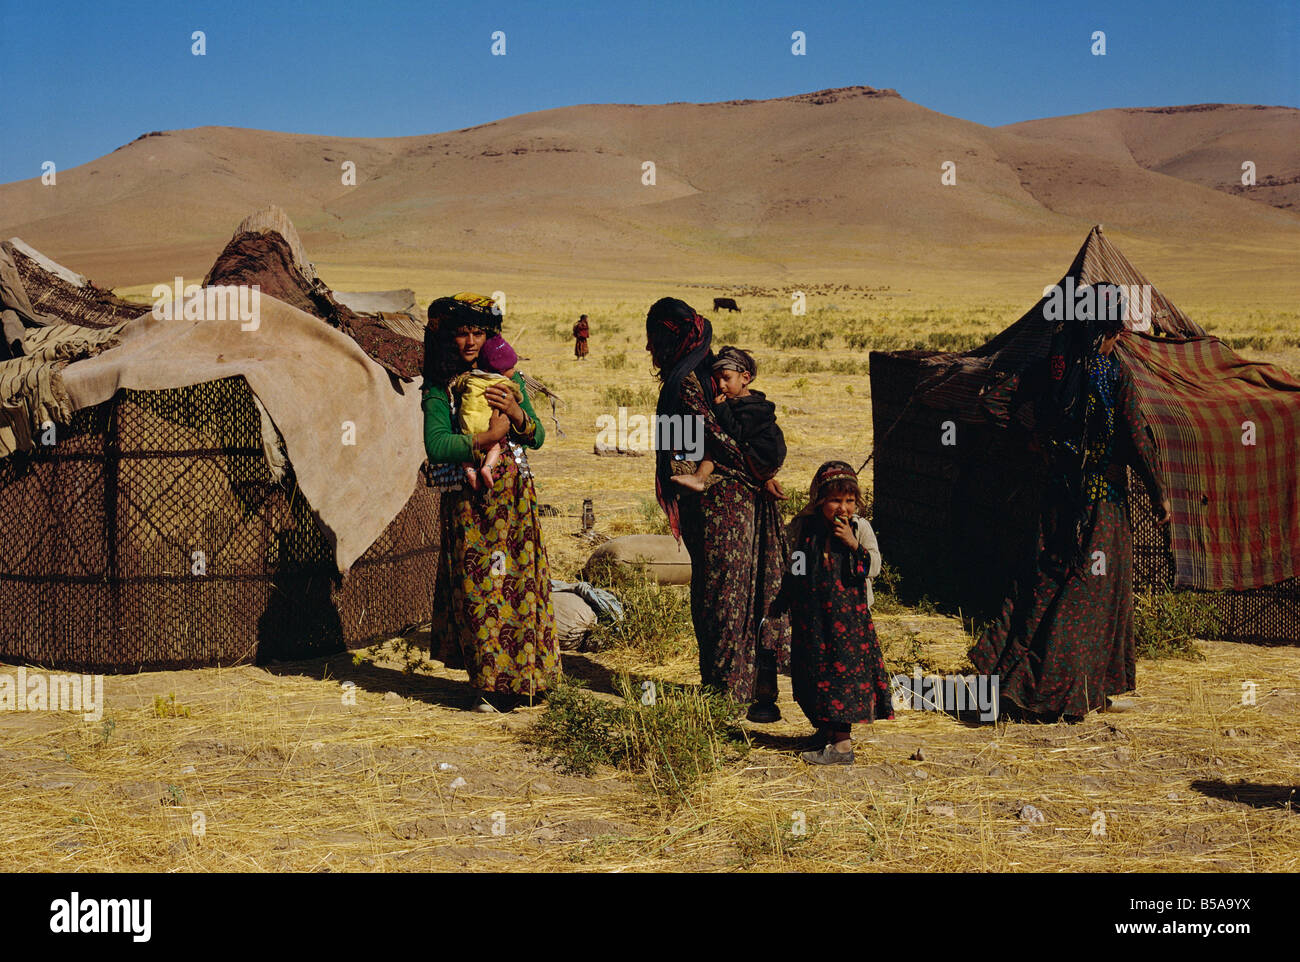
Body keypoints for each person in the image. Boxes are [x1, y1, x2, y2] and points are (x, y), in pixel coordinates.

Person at [969, 285, 1172, 720]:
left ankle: (1011, 676)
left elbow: (993, 399)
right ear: (1103, 330)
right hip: (1102, 507)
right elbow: (1137, 439)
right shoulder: (1113, 375)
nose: (1120, 339)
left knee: (1044, 582)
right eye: (1117, 332)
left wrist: (1035, 442)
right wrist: (1160, 495)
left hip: (1057, 495)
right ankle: (1056, 692)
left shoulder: (1053, 369)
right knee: (1089, 596)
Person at [647, 297, 790, 720]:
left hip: (719, 504)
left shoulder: (690, 380)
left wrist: (754, 469)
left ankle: (728, 695)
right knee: (728, 594)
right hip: (720, 500)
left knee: (721, 598)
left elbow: (708, 442)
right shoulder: (699, 375)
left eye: (655, 338)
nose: (649, 348)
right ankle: (738, 690)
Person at [421, 292, 560, 712]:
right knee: (482, 589)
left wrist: (517, 415)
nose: (470, 342)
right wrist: (485, 437)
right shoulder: (438, 387)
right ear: (448, 338)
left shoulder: (508, 379)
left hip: (515, 498)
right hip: (470, 503)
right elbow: (437, 445)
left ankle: (530, 681)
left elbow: (535, 436)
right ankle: (490, 686)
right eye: (461, 334)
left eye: (478, 333)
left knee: (522, 586)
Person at [771, 461, 893, 764]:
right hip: (813, 618)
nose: (843, 508)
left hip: (849, 623)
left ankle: (841, 746)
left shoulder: (859, 528)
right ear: (820, 499)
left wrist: (853, 545)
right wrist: (786, 597)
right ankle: (825, 731)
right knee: (812, 673)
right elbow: (794, 565)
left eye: (850, 501)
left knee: (843, 677)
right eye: (836, 500)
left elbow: (874, 567)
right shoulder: (806, 527)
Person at [671, 346, 786, 493]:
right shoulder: (750, 402)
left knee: (715, 442)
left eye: (726, 378)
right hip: (763, 461)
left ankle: (699, 478)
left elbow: (737, 432)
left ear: (745, 377)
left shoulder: (754, 408)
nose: (721, 385)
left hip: (761, 460)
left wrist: (721, 409)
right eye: (718, 379)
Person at [447, 334, 522, 490]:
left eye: (478, 334)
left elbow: (459, 385)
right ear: (501, 370)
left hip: (466, 428)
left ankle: (469, 470)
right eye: (510, 368)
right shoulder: (503, 382)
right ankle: (487, 468)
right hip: (487, 428)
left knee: (464, 452)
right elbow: (518, 394)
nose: (514, 371)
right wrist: (517, 400)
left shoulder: (470, 377)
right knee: (494, 447)